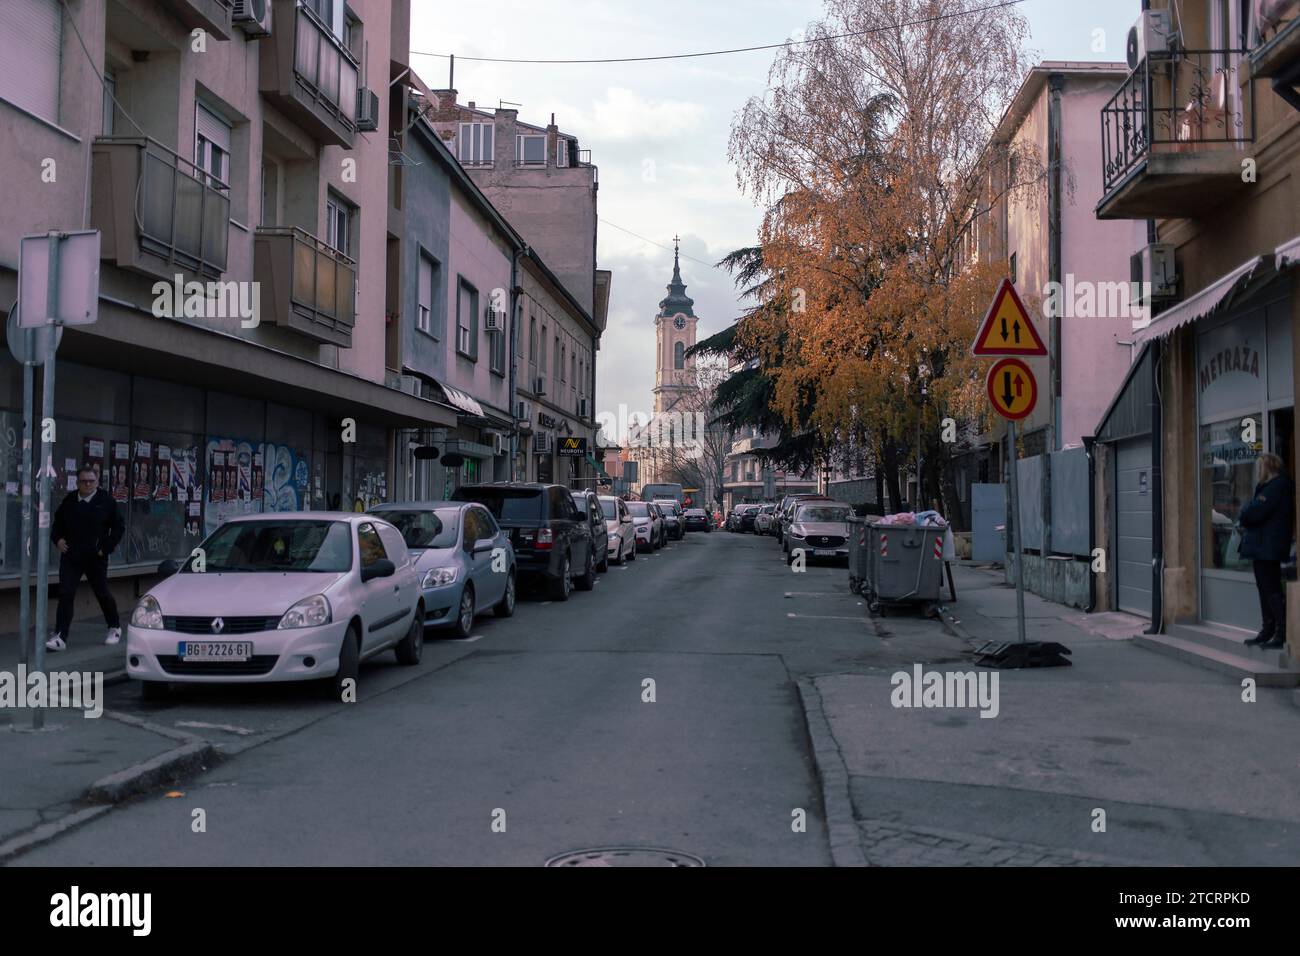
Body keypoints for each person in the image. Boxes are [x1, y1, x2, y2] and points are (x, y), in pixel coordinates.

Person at [45, 465, 126, 652]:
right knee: (66, 593)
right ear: (78, 482)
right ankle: (60, 636)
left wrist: (105, 548)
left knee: (102, 592)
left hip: (95, 557)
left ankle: (114, 627)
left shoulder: (106, 501)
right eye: (84, 481)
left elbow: (119, 527)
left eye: (91, 481)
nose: (88, 484)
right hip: (72, 556)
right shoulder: (70, 501)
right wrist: (58, 540)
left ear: (97, 482)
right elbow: (57, 525)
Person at [1240, 453, 1296, 649]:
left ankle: (1281, 633)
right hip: (1263, 547)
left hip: (1268, 547)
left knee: (1271, 589)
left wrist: (1246, 511)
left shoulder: (1277, 486)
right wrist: (1248, 511)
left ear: (1268, 467)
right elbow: (1251, 513)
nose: (1258, 471)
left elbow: (1252, 513)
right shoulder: (1269, 487)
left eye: (1260, 466)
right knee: (1264, 589)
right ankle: (1268, 630)